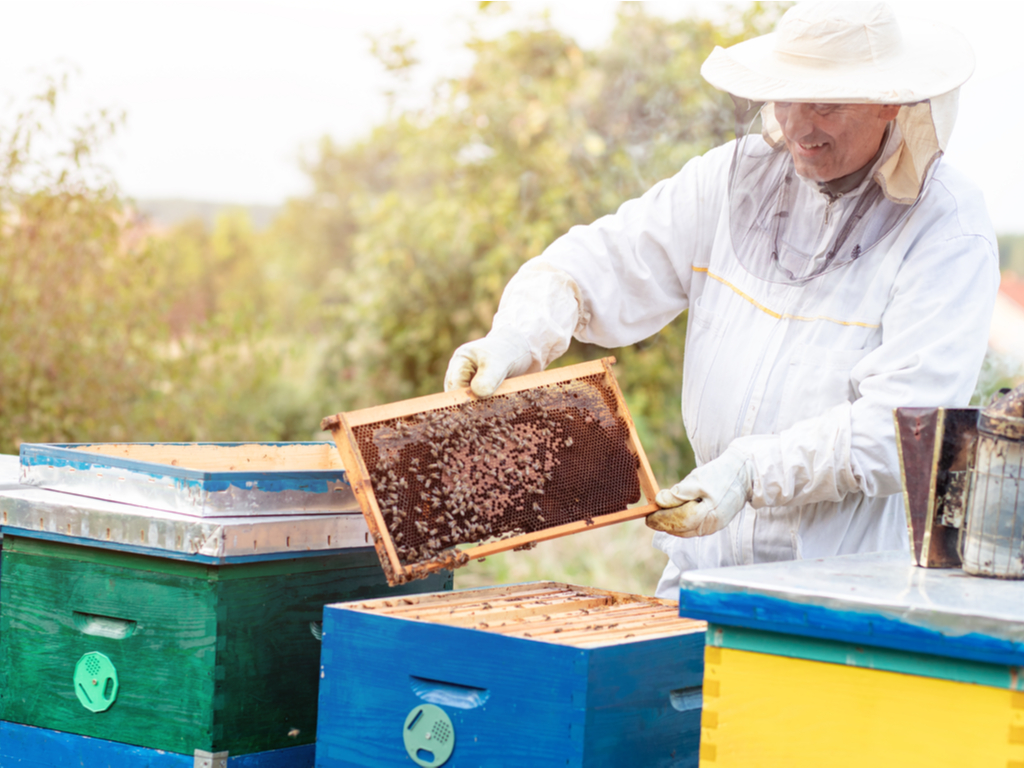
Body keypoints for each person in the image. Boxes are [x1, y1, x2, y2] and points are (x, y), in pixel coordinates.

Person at [443, 2, 1000, 598]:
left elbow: (904, 425)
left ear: (890, 102)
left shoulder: (947, 228)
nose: (799, 127)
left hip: (842, 590)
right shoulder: (731, 179)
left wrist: (753, 470)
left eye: (826, 106)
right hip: (699, 571)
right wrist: (518, 334)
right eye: (786, 98)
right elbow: (602, 261)